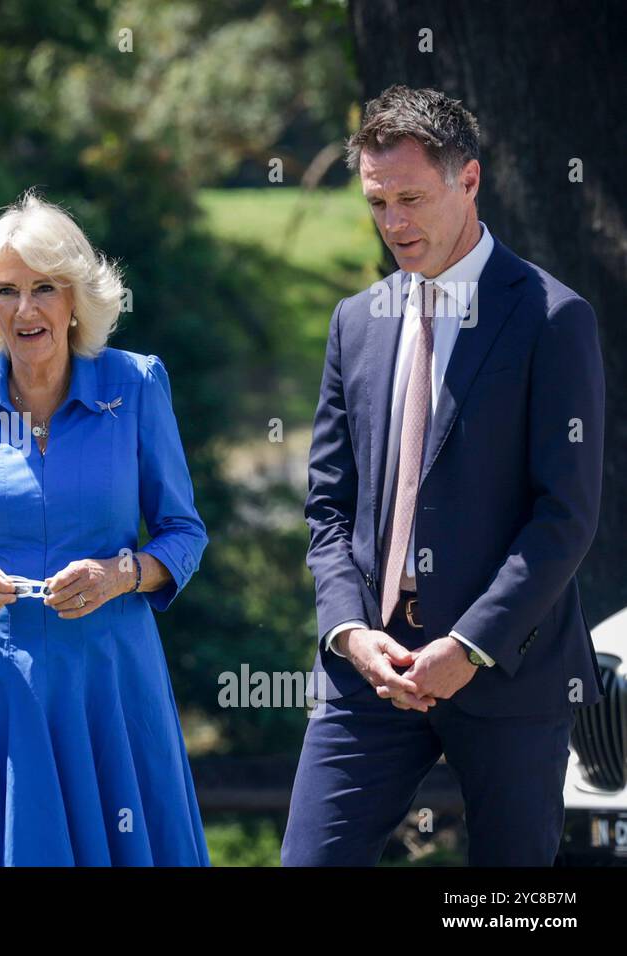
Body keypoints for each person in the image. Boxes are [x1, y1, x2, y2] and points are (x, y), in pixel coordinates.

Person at [283, 86, 605, 866]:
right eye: (377, 201)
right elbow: (328, 508)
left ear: (469, 181)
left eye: (412, 198)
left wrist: (468, 646)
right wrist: (349, 631)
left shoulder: (553, 319)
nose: (393, 222)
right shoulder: (354, 322)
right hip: (370, 671)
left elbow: (564, 517)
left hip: (509, 671)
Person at [0, 190, 211, 865]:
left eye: (44, 289)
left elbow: (184, 532)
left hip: (105, 684)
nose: (25, 309)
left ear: (75, 302)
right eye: (6, 290)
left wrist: (121, 574)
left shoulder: (137, 385)